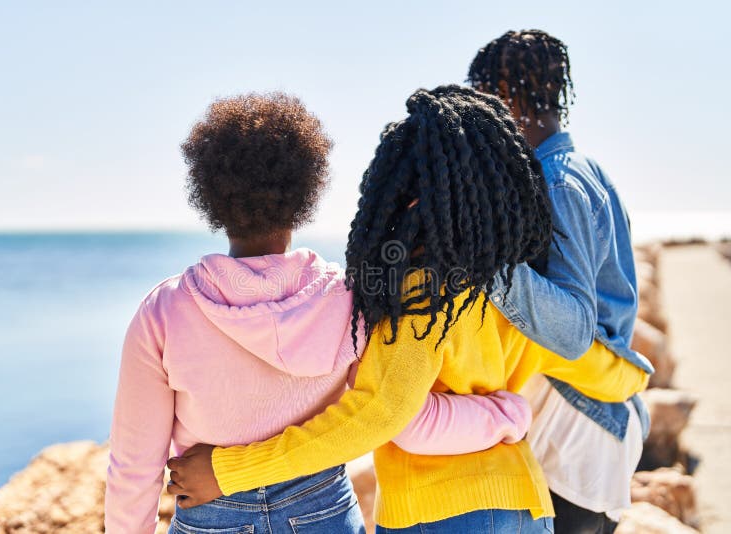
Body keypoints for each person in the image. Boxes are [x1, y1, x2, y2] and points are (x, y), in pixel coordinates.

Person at [165, 86, 650, 533]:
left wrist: (229, 471)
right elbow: (599, 369)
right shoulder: (524, 290)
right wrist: (636, 376)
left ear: (403, 189)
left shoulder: (421, 293)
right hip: (526, 508)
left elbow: (376, 414)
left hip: (439, 515)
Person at [104, 92, 534, 534]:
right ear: (304, 194)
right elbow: (402, 420)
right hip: (323, 513)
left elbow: (134, 468)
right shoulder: (347, 301)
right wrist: (509, 415)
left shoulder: (164, 311)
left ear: (209, 195)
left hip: (212, 513)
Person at [467, 29, 655, 532]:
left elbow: (573, 329)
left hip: (575, 434)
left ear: (506, 91)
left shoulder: (554, 183)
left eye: (484, 96)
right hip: (594, 420)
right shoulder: (584, 170)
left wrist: (480, 259)